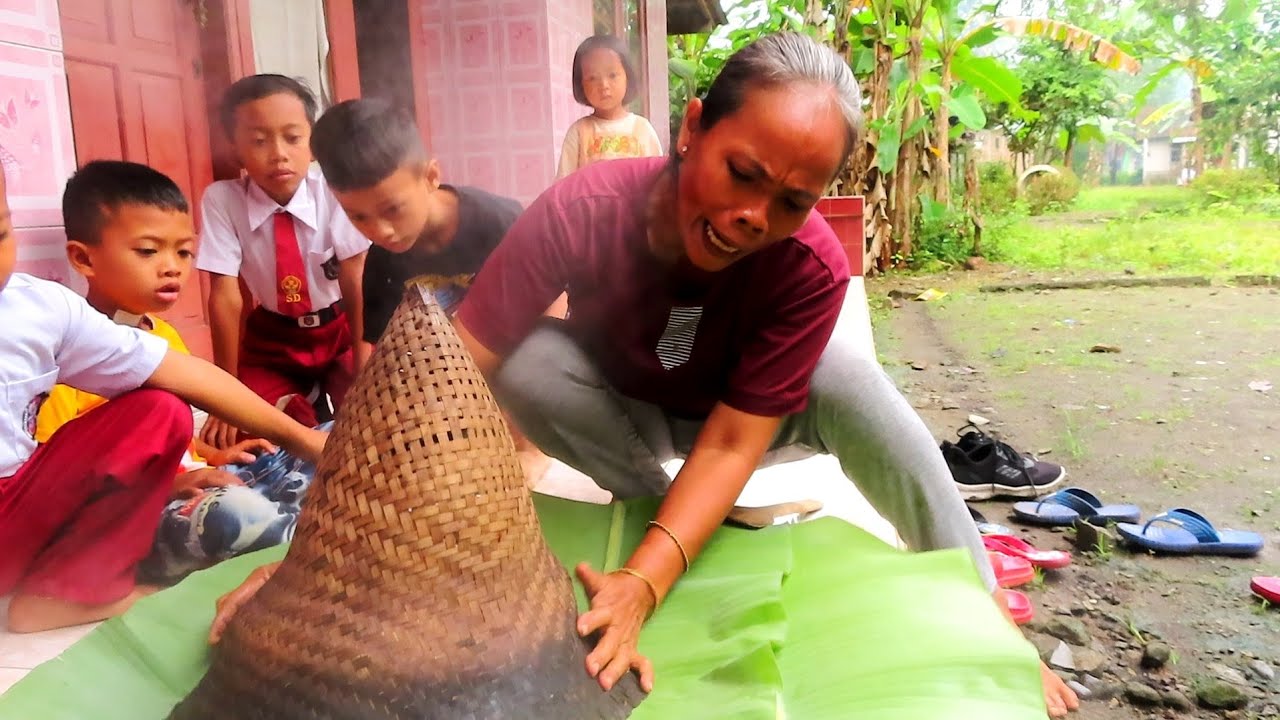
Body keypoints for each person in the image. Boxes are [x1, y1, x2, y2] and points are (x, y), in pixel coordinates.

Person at [209, 33, 1078, 717]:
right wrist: (320, 551)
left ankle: (983, 611)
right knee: (527, 364)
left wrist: (644, 583)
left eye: (791, 201)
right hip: (627, 410)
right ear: (693, 128)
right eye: (742, 174)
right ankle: (670, 514)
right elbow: (445, 379)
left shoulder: (807, 263)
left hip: (741, 422)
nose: (753, 217)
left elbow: (734, 442)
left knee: (847, 378)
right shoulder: (580, 210)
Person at [0, 164, 325, 634]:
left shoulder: (40, 311)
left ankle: (65, 593)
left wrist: (305, 442)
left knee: (169, 411)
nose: (172, 266)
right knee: (237, 514)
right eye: (148, 251)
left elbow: (183, 379)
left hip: (17, 513)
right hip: (145, 509)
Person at [309, 97, 551, 484]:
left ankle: (532, 449)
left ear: (431, 176)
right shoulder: (383, 260)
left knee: (533, 356)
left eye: (393, 209)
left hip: (518, 353)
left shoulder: (498, 221)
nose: (381, 230)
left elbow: (552, 301)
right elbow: (378, 351)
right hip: (449, 379)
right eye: (358, 216)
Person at [196, 74, 369, 449]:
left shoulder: (334, 191)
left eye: (292, 138)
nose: (278, 153)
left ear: (313, 144)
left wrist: (362, 359)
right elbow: (225, 296)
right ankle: (301, 414)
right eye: (259, 141)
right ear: (235, 149)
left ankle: (318, 410)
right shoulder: (222, 200)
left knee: (371, 415)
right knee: (244, 427)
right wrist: (225, 392)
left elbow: (355, 279)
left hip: (339, 330)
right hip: (273, 340)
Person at [557, 34, 663, 180]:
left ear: (628, 77)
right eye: (593, 78)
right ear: (580, 84)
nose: (604, 85)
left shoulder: (642, 129)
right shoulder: (579, 132)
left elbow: (659, 179)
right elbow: (563, 186)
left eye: (612, 75)